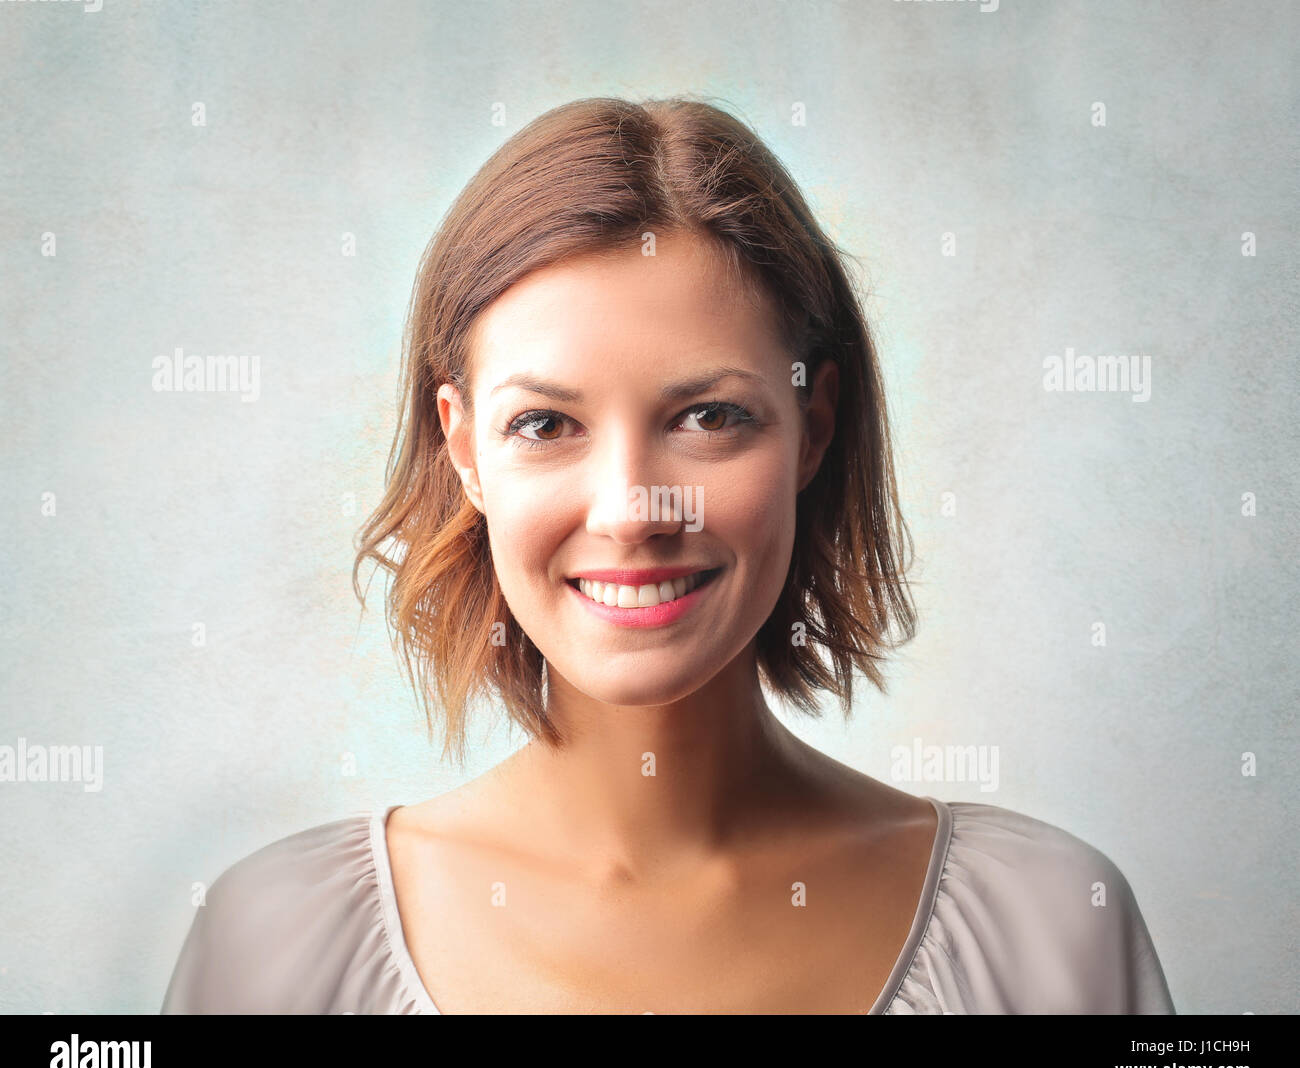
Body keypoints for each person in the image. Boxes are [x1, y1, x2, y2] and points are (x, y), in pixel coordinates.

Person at [161, 96, 1175, 1014]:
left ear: (813, 426)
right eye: (547, 425)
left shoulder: (1050, 935)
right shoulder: (275, 952)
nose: (634, 508)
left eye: (707, 415)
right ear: (464, 449)